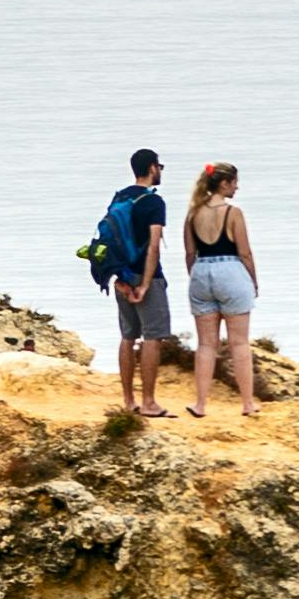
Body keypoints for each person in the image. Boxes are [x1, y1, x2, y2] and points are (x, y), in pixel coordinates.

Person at [88, 150, 176, 412]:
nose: (160, 170)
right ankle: (148, 402)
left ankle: (128, 401)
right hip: (145, 275)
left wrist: (120, 278)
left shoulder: (120, 197)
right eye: (159, 166)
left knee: (127, 336)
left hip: (121, 276)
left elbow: (110, 240)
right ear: (151, 168)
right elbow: (153, 247)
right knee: (153, 337)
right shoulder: (153, 203)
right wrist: (146, 284)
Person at [183, 160, 266, 416]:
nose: (237, 187)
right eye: (234, 182)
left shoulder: (193, 213)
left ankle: (200, 404)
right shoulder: (233, 213)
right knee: (239, 343)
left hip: (201, 272)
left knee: (206, 344)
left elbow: (189, 253)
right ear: (223, 183)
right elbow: (245, 252)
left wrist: (196, 277)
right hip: (230, 272)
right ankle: (247, 404)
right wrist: (253, 280)